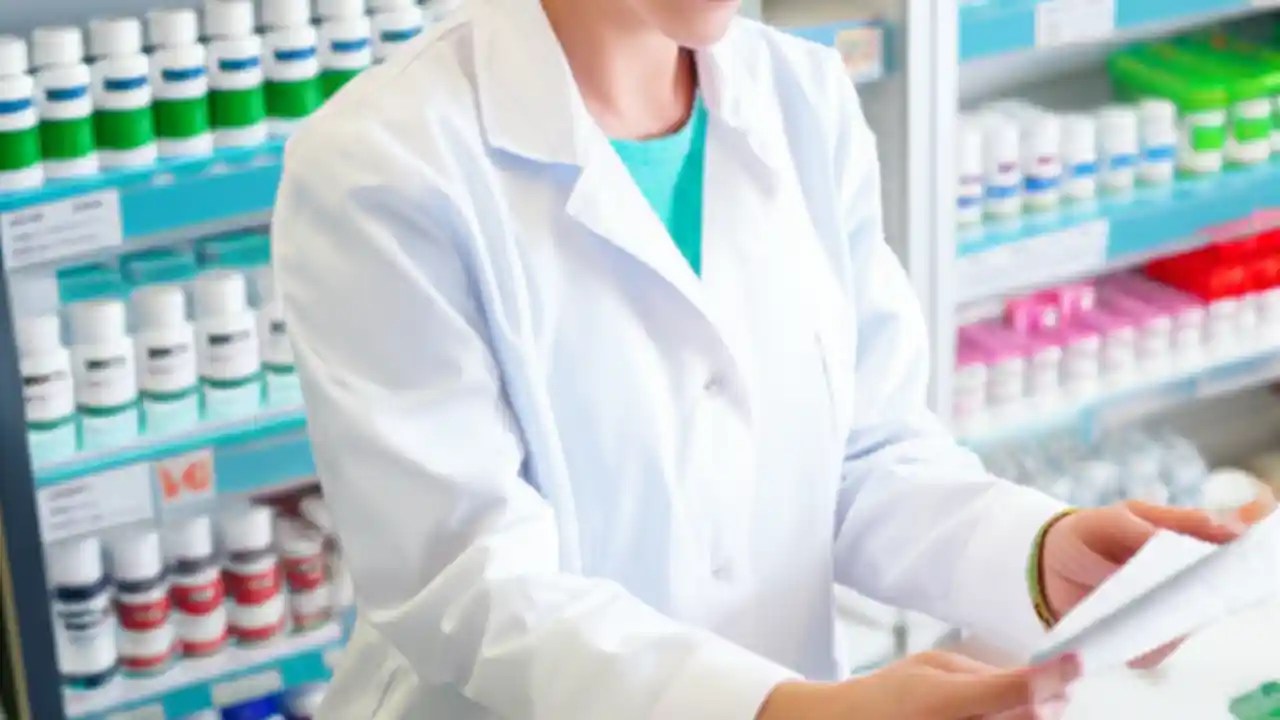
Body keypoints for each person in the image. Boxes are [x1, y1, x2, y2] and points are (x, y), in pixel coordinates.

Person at [270, 0, 1238, 717]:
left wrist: (1037, 554)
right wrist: (781, 710)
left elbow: (867, 456)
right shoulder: (382, 167)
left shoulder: (800, 98)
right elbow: (473, 586)